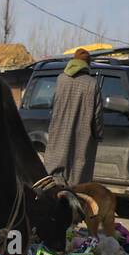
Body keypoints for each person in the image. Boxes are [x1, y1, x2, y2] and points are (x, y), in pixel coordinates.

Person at [44, 48, 104, 185]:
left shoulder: (60, 80)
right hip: (82, 140)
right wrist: (98, 135)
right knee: (78, 182)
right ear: (87, 65)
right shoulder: (92, 84)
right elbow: (97, 116)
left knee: (54, 182)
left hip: (58, 138)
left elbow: (52, 106)